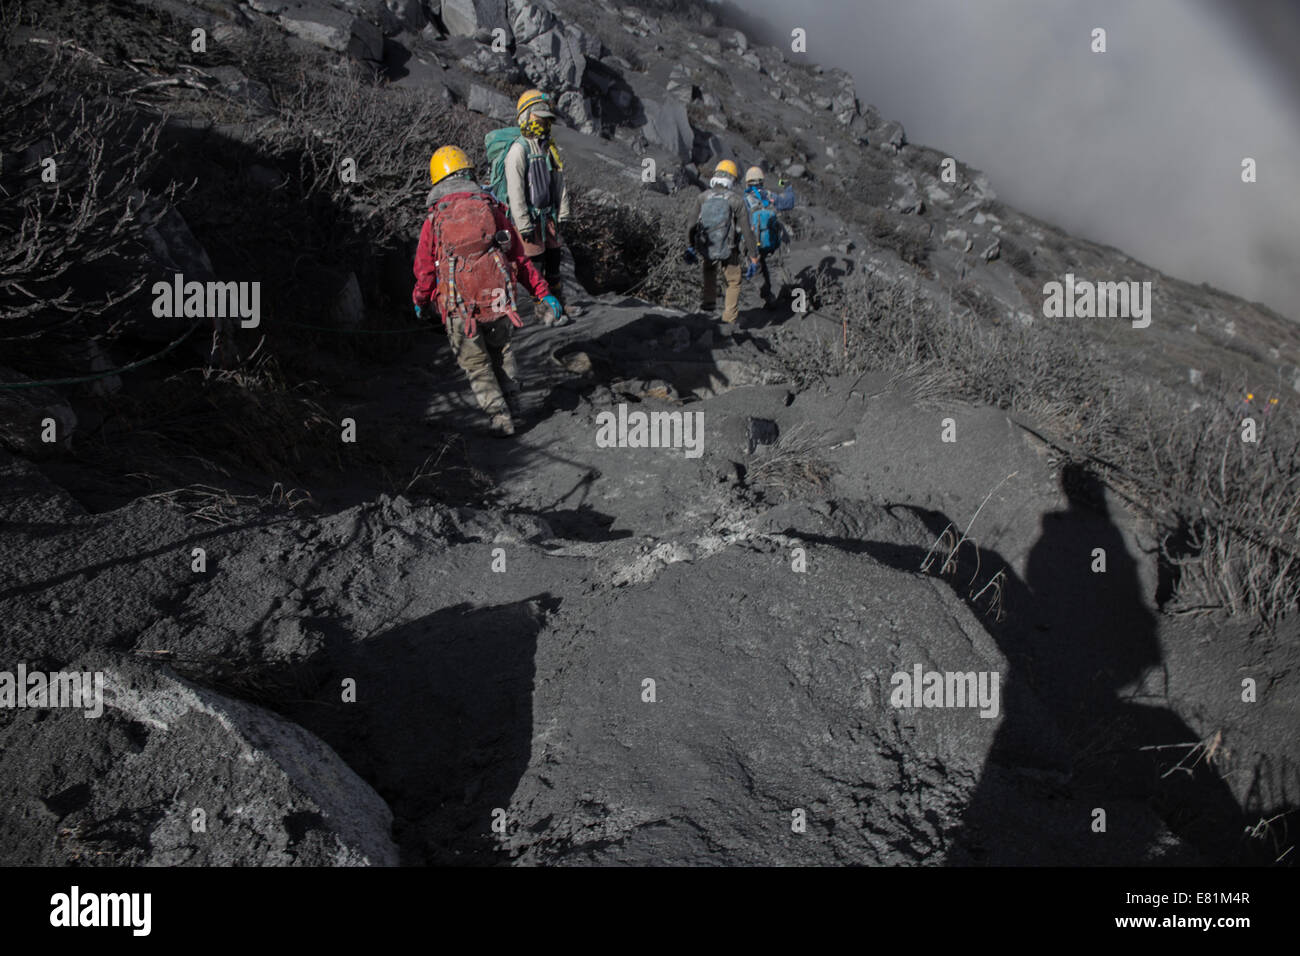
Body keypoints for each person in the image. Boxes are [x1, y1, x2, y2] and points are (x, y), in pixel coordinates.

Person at [412, 145, 564, 437]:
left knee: (478, 365)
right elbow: (518, 258)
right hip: (498, 298)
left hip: (458, 305)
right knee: (502, 351)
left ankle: (500, 419)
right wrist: (542, 292)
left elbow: (425, 271)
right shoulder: (492, 208)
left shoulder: (434, 220)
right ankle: (515, 406)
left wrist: (420, 300)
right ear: (468, 173)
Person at [502, 89, 580, 326]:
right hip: (530, 219)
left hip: (548, 218)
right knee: (535, 265)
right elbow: (515, 191)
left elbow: (559, 182)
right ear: (526, 116)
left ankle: (558, 301)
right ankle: (541, 309)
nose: (544, 123)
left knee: (554, 259)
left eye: (546, 119)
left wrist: (563, 212)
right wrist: (524, 224)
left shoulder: (548, 147)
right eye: (539, 117)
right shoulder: (518, 150)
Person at [683, 159, 760, 326]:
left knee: (709, 271)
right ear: (732, 179)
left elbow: (691, 224)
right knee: (733, 281)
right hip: (730, 249)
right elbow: (747, 231)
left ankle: (708, 306)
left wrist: (690, 247)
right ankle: (729, 317)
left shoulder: (703, 197)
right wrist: (753, 255)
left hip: (708, 246)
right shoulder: (736, 200)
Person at [741, 165, 795, 309]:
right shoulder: (769, 195)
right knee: (779, 265)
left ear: (747, 182)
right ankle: (790, 291)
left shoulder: (744, 200)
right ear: (762, 181)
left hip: (753, 242)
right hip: (772, 241)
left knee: (758, 270)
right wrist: (787, 186)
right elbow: (789, 202)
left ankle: (768, 297)